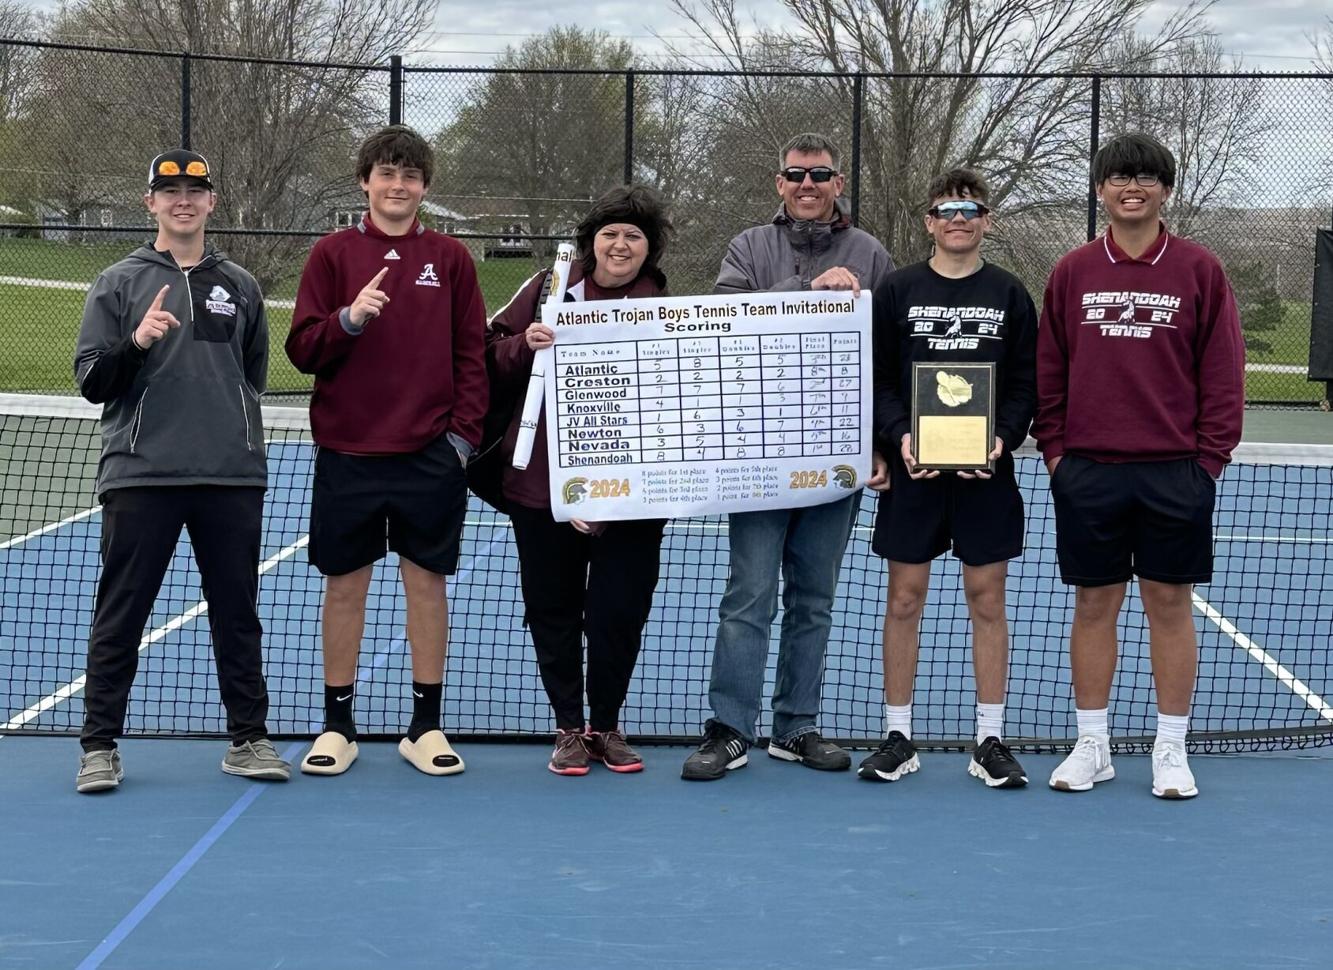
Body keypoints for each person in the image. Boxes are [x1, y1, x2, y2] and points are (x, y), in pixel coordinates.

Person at [1033, 132, 1244, 799]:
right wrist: (1057, 455)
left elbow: (1222, 372)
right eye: (1119, 176)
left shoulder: (1198, 270)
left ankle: (1169, 750)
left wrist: (1206, 462)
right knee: (1093, 604)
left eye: (1146, 177)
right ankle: (1091, 745)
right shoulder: (1071, 271)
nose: (1132, 187)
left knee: (1168, 604)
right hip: (1088, 471)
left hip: (1174, 472)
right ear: (1099, 189)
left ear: (1164, 189)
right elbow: (1048, 370)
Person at [72, 149, 289, 793]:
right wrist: (136, 342)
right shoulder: (117, 282)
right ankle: (99, 746)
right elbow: (91, 381)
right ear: (151, 203)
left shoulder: (242, 286)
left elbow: (251, 376)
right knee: (122, 612)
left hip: (230, 476)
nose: (183, 200)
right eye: (169, 191)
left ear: (212, 201)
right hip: (142, 476)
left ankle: (249, 739)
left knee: (237, 612)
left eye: (195, 189)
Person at [682, 132, 895, 781]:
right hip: (759, 455)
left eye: (819, 175)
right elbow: (724, 326)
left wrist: (881, 444)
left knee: (815, 598)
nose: (807, 185)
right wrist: (805, 290)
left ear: (837, 185)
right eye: (796, 175)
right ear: (779, 183)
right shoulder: (749, 246)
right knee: (748, 595)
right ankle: (730, 729)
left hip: (835, 458)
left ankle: (795, 726)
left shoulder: (871, 254)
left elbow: (888, 354)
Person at [286, 125, 487, 777]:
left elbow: (470, 357)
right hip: (347, 451)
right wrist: (348, 320)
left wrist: (459, 441)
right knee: (344, 588)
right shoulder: (331, 255)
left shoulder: (451, 258)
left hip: (430, 455)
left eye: (409, 175)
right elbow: (302, 349)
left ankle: (424, 726)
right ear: (364, 181)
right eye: (385, 173)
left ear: (424, 186)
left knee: (426, 587)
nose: (397, 185)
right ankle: (337, 726)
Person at [485, 185, 673, 775]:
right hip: (542, 491)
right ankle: (569, 727)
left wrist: (615, 494)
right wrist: (525, 345)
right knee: (553, 609)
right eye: (610, 233)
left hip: (634, 499)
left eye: (634, 236)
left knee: (620, 612)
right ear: (592, 241)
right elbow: (485, 350)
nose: (621, 245)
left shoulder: (666, 305)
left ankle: (607, 725)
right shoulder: (547, 287)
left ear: (649, 250)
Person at [858, 168, 1037, 788]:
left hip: (985, 474)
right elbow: (878, 378)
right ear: (930, 222)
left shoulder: (1010, 293)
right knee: (904, 599)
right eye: (947, 211)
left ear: (986, 220)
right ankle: (897, 735)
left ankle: (990, 738)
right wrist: (900, 437)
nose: (959, 220)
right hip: (915, 472)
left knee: (988, 600)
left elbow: (1022, 386)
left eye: (971, 209)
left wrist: (1001, 438)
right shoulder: (897, 290)